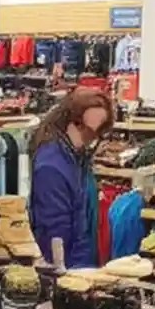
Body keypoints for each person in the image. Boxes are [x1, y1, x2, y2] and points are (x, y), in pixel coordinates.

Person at [29, 88, 114, 268]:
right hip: (69, 269)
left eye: (96, 133)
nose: (91, 139)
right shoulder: (52, 166)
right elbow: (54, 233)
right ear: (72, 121)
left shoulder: (76, 158)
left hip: (80, 263)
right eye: (87, 131)